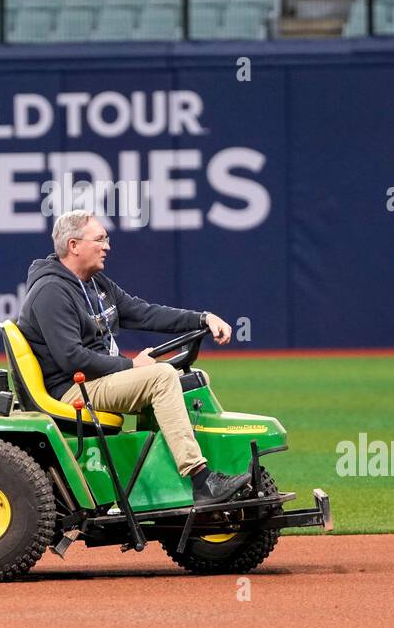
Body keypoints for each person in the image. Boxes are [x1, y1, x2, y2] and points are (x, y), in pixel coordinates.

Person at [16, 209, 252, 507]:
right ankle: (200, 480)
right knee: (162, 376)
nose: (108, 246)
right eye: (100, 239)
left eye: (106, 238)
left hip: (98, 379)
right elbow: (71, 358)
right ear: (74, 245)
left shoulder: (96, 284)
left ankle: (164, 484)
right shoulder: (51, 291)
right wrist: (131, 365)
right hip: (74, 390)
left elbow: (144, 312)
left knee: (194, 380)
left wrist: (202, 319)